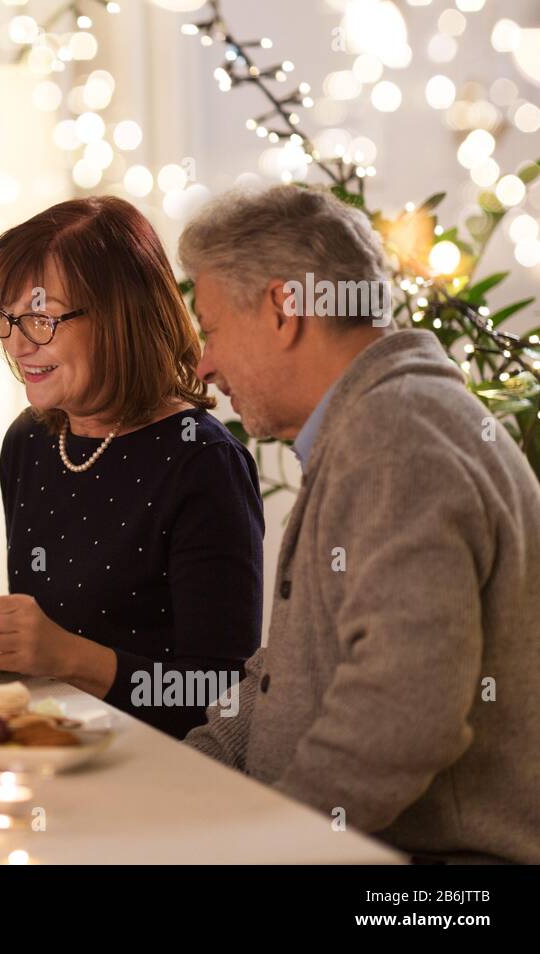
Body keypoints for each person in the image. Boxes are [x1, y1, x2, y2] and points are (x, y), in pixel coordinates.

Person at [179, 184, 540, 863]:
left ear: (284, 309)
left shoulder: (395, 436)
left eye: (212, 328)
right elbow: (283, 672)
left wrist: (264, 847)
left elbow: (404, 713)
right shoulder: (377, 423)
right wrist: (186, 781)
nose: (205, 363)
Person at [0, 196, 263, 739]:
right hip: (58, 751)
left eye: (40, 317)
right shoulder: (30, 441)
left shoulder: (203, 463)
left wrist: (66, 655)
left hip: (162, 776)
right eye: (6, 317)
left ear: (122, 314)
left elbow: (220, 696)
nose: (16, 343)